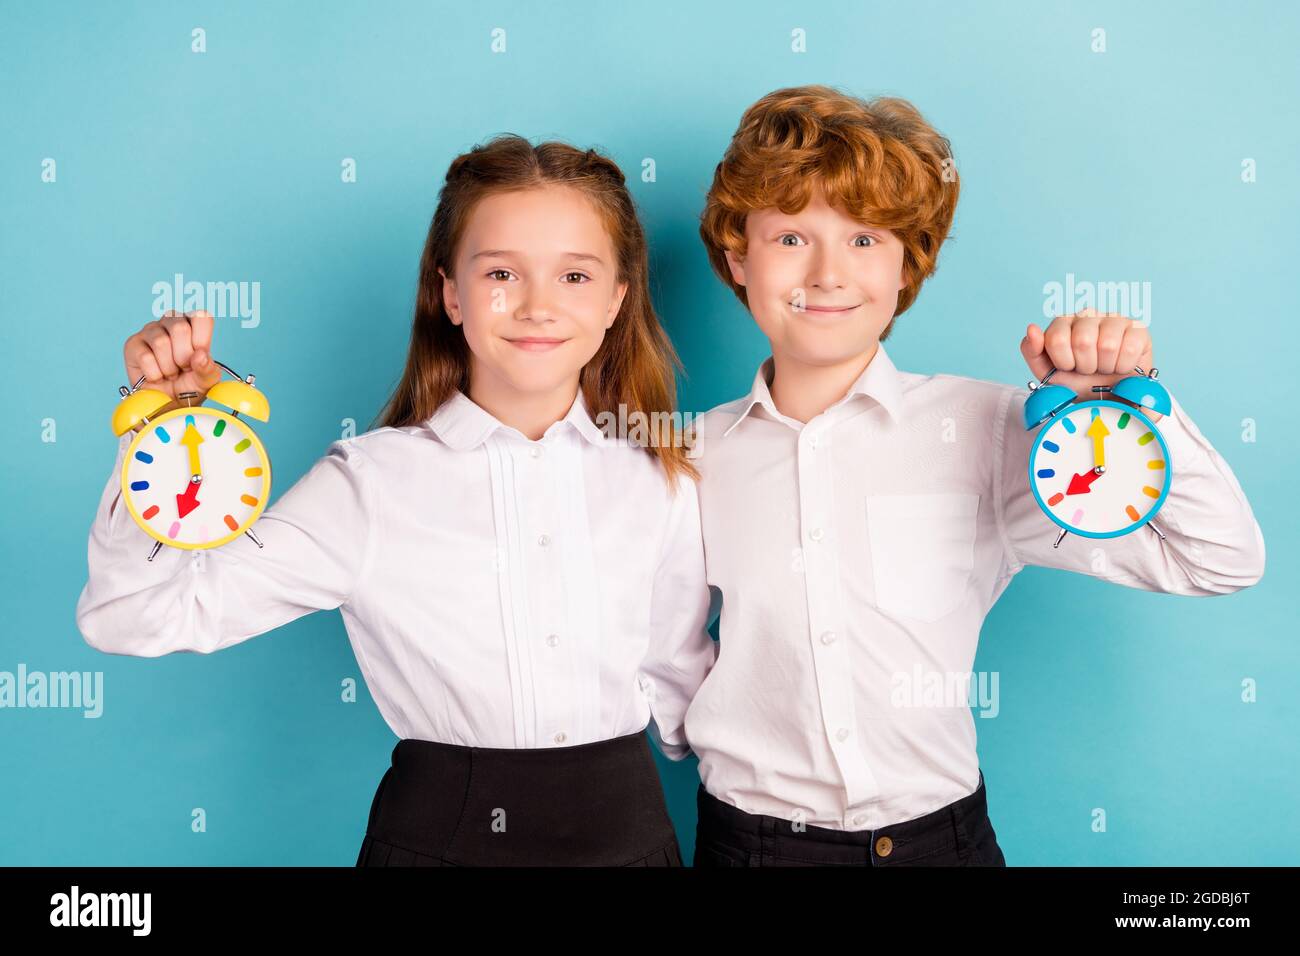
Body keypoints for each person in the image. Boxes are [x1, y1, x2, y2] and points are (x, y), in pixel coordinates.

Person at [75, 134, 717, 867]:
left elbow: (682, 686)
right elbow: (133, 616)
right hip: (439, 843)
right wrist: (168, 438)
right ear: (450, 293)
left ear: (616, 300)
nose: (539, 305)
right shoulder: (368, 486)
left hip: (630, 840)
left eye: (575, 275)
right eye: (502, 272)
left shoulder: (661, 474)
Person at [684, 85, 1267, 867]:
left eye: (864, 240)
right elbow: (657, 644)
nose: (827, 273)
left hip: (940, 844)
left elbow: (1219, 557)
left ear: (906, 266)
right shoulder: (688, 455)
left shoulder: (995, 430)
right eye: (791, 237)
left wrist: (1126, 410)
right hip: (750, 844)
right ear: (737, 261)